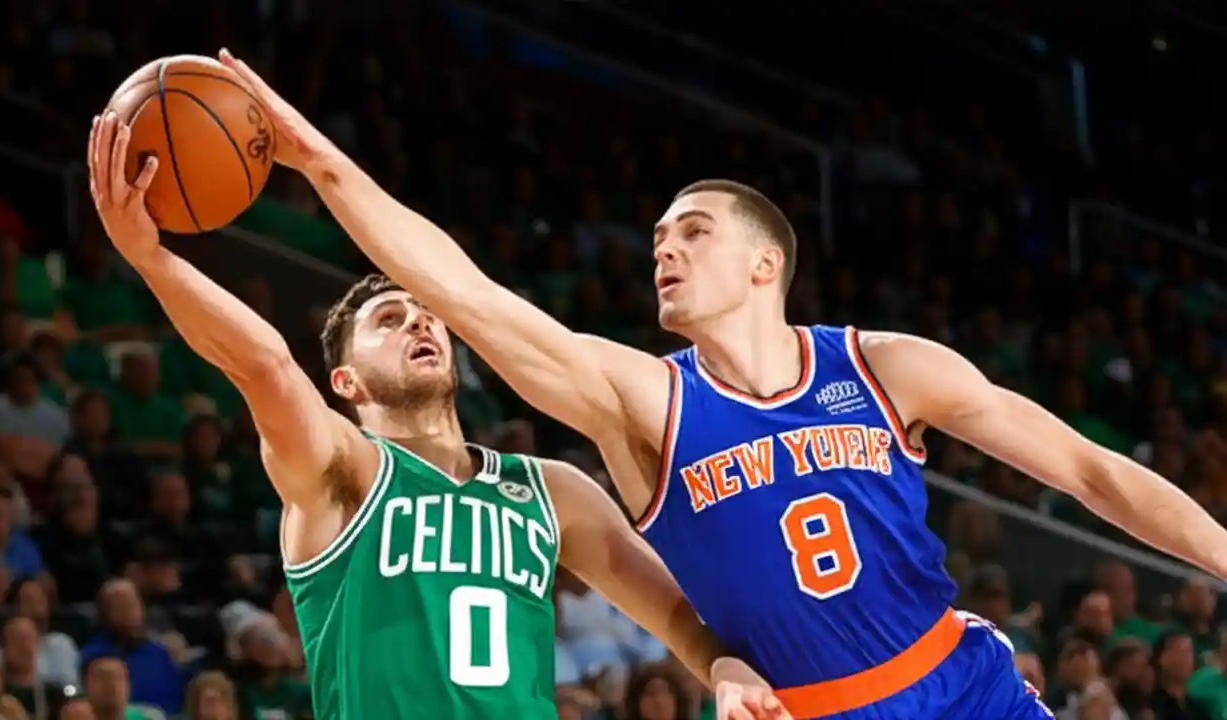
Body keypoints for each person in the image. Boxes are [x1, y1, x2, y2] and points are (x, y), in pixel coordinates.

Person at [219, 44, 1227, 719]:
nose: (662, 250)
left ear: (761, 264)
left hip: (958, 688)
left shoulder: (886, 368)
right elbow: (470, 295)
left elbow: (1092, 474)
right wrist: (317, 164)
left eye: (690, 232)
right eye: (655, 238)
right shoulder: (643, 399)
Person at [86, 108, 778, 720]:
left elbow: (677, 614)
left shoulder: (551, 491)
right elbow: (263, 363)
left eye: (426, 316)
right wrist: (150, 258)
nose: (419, 324)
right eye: (389, 319)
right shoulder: (342, 473)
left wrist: (724, 668)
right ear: (345, 380)